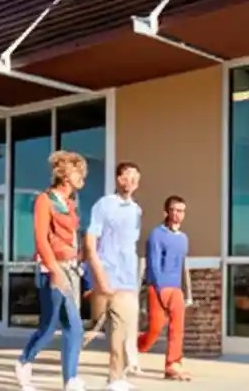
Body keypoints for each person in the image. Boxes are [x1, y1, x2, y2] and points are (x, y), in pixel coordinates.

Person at [14, 150, 88, 391]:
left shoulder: (70, 204)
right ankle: (25, 360)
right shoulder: (45, 200)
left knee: (70, 326)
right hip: (51, 269)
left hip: (71, 269)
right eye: (80, 173)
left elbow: (72, 237)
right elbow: (41, 239)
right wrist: (55, 270)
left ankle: (71, 379)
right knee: (52, 327)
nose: (83, 179)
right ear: (66, 176)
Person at [86, 161, 143, 391]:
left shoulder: (137, 210)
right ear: (118, 179)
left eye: (135, 177)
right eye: (127, 176)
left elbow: (131, 245)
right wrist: (98, 275)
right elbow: (91, 241)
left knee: (122, 329)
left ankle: (115, 377)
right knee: (96, 326)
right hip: (106, 275)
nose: (131, 181)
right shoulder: (104, 205)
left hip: (127, 277)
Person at [138, 195, 192, 381]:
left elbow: (182, 266)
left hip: (176, 288)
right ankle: (133, 350)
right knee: (154, 329)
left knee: (177, 328)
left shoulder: (184, 238)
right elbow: (153, 264)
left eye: (181, 211)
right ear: (166, 212)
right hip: (158, 287)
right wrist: (160, 288)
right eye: (174, 210)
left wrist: (186, 292)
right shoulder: (156, 234)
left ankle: (173, 364)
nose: (177, 214)